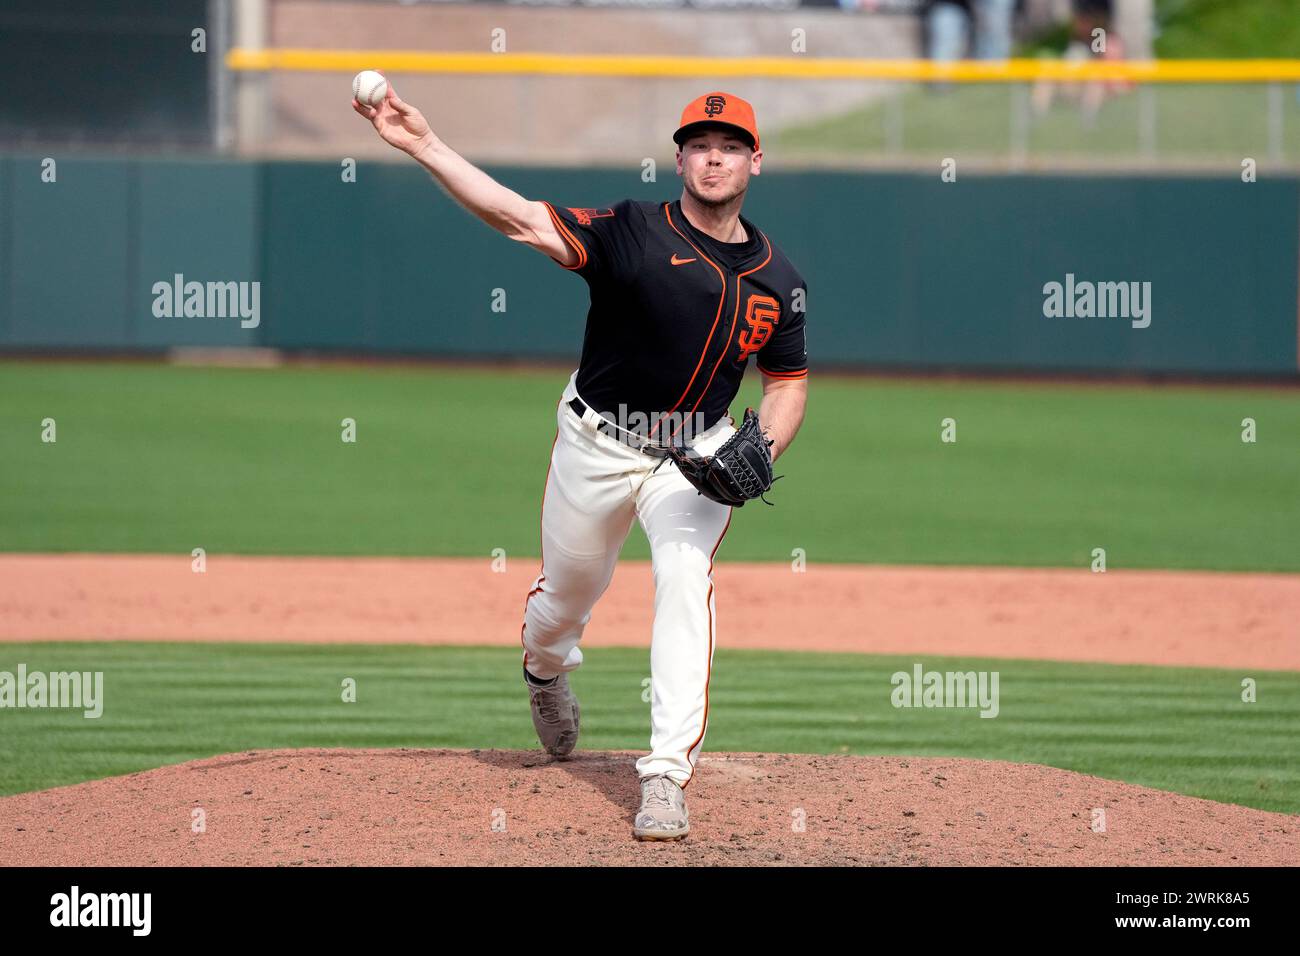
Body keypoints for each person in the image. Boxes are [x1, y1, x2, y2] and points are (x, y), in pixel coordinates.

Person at [354, 85, 809, 841]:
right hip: (598, 440)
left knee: (684, 577)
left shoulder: (780, 280)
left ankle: (664, 776)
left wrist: (765, 443)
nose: (714, 157)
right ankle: (543, 666)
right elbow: (522, 218)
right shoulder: (632, 231)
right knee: (564, 599)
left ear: (754, 162)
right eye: (700, 144)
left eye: (729, 146)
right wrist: (424, 145)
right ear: (680, 158)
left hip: (692, 456)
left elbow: (787, 383)